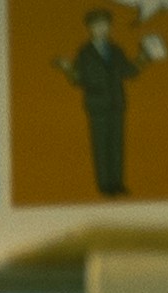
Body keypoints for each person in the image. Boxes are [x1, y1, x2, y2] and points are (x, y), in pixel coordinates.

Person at [59, 0, 132, 194]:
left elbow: (129, 71)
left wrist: (147, 56)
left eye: (105, 24)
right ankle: (105, 185)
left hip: (117, 103)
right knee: (101, 146)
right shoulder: (85, 53)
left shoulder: (116, 50)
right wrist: (67, 69)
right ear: (89, 28)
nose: (102, 28)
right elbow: (78, 80)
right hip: (97, 104)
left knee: (117, 146)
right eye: (97, 25)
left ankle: (117, 183)